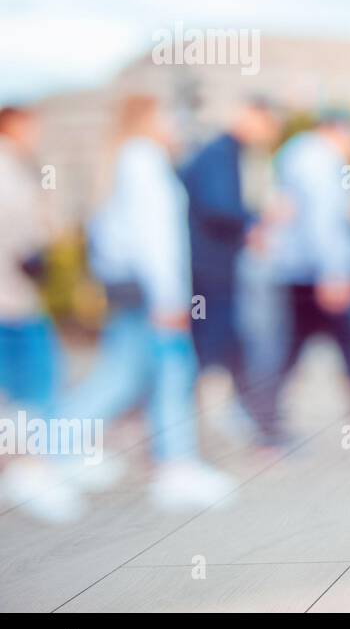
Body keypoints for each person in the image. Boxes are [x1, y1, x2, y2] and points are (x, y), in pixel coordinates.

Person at [61, 95, 237, 511]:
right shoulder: (143, 160)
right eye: (170, 116)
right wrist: (170, 298)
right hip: (152, 292)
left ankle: (59, 449)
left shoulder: (129, 158)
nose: (177, 125)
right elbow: (154, 239)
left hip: (135, 288)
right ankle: (173, 468)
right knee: (167, 372)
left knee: (130, 375)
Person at [259, 110, 350, 437]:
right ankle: (266, 422)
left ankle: (267, 421)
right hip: (317, 276)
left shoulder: (299, 156)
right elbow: (324, 221)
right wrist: (335, 272)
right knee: (345, 345)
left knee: (297, 349)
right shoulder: (319, 160)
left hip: (304, 272)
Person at [179, 98, 282, 439]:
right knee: (211, 344)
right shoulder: (219, 154)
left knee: (226, 342)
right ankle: (200, 417)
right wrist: (258, 220)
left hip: (216, 268)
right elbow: (217, 206)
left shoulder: (231, 153)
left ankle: (227, 412)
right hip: (209, 270)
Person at [0, 106, 83, 522]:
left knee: (28, 384)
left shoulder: (18, 165)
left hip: (18, 297)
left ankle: (30, 465)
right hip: (12, 298)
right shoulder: (7, 168)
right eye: (30, 125)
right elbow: (21, 232)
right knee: (36, 382)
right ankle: (29, 469)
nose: (36, 133)